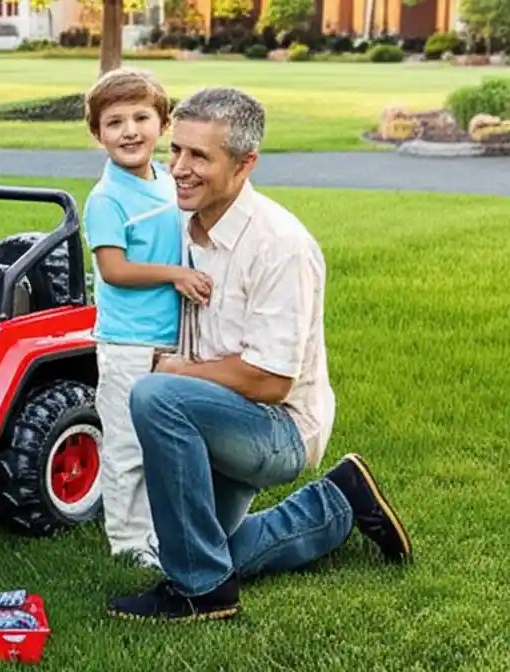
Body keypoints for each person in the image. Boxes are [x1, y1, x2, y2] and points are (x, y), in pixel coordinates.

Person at [105, 87, 413, 622]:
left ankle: (203, 594)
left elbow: (270, 382)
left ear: (246, 163)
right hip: (211, 416)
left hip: (278, 427)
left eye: (199, 156)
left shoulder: (281, 247)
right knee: (203, 546)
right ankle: (340, 500)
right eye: (176, 150)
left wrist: (178, 372)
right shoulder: (181, 222)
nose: (178, 168)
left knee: (157, 396)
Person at [80, 68, 213, 570]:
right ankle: (129, 541)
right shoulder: (106, 199)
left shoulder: (167, 181)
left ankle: (163, 526)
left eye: (141, 117)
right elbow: (114, 270)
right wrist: (175, 274)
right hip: (128, 343)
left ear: (164, 123)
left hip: (174, 338)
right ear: (98, 135)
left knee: (168, 439)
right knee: (127, 444)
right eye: (115, 122)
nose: (130, 131)